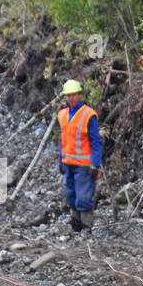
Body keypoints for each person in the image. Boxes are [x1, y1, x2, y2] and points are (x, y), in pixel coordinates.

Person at [56, 79, 102, 235]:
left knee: (83, 197)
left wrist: (95, 164)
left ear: (80, 95)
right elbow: (63, 140)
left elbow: (96, 141)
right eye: (68, 95)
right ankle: (75, 227)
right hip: (68, 163)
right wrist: (60, 160)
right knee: (70, 195)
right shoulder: (62, 115)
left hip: (83, 165)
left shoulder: (88, 115)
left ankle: (86, 229)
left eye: (74, 95)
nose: (71, 98)